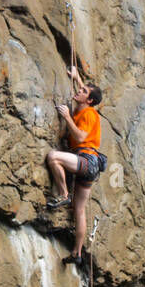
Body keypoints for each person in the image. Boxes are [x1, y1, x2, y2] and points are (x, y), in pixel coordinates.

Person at [45, 67, 102, 266]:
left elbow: (79, 137)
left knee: (53, 157)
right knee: (79, 210)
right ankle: (77, 253)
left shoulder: (88, 114)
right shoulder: (86, 107)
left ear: (89, 101)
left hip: (86, 160)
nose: (79, 90)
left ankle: (62, 194)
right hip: (90, 165)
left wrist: (67, 117)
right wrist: (78, 79)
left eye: (83, 91)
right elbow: (85, 95)